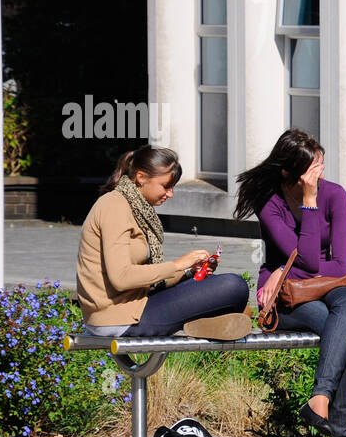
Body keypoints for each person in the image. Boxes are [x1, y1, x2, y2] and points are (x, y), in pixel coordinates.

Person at [235, 129, 346, 437]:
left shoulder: (336, 195)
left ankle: (320, 397)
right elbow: (309, 260)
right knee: (333, 325)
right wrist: (309, 205)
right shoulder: (270, 202)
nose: (319, 175)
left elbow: (344, 265)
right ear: (288, 172)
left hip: (322, 283)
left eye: (321, 166)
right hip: (284, 295)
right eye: (311, 170)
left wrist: (286, 267)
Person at [76, 146, 249, 340]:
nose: (171, 193)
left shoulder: (137, 207)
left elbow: (152, 280)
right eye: (166, 186)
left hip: (136, 305)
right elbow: (121, 277)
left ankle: (205, 323)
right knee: (233, 286)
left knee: (227, 286)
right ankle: (206, 321)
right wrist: (178, 264)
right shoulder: (114, 206)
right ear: (141, 177)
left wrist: (189, 270)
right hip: (117, 318)